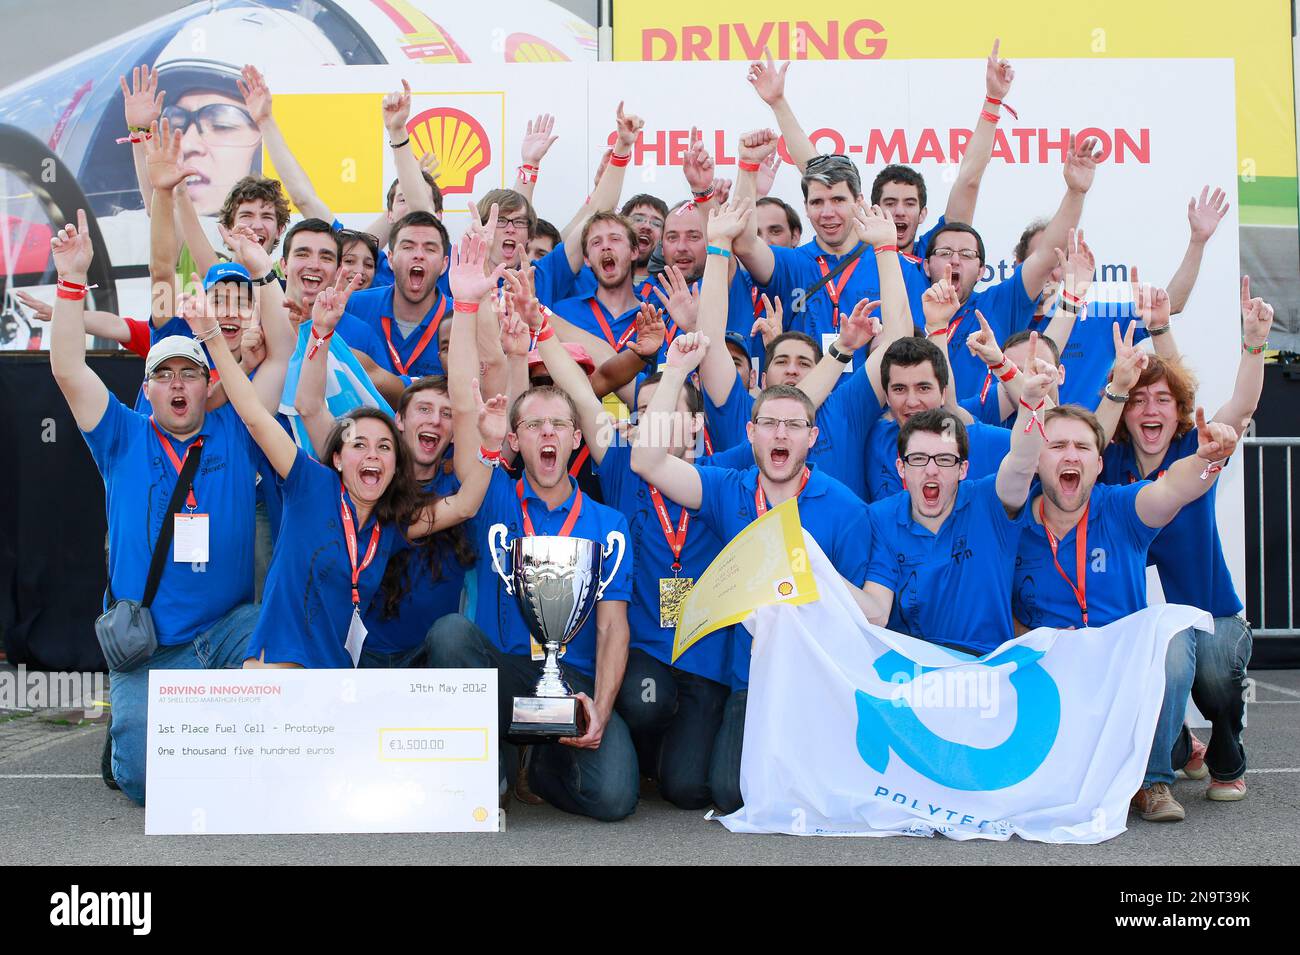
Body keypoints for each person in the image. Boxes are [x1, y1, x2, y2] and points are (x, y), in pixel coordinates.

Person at [46, 208, 291, 804]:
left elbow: (280, 352)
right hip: (151, 646)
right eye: (165, 374)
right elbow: (67, 367)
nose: (178, 385)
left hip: (231, 631)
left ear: (211, 385)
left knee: (291, 644)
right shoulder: (122, 435)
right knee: (144, 783)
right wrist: (72, 279)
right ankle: (143, 731)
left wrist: (263, 275)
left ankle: (230, 741)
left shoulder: (235, 428)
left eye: (191, 374)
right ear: (147, 386)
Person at [179, 234, 505, 670]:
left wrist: (490, 446)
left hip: (339, 682)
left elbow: (465, 504)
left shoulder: (389, 524)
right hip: (280, 673)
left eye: (385, 447)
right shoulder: (307, 483)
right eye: (361, 444)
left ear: (396, 464)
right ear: (337, 456)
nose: (373, 454)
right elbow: (259, 417)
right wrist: (216, 338)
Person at [424, 236, 639, 822]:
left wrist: (599, 706)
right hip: (509, 670)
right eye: (534, 425)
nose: (548, 434)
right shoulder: (493, 494)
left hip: (572, 680)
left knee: (615, 797)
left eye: (560, 425)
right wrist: (466, 309)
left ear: (577, 441)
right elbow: (468, 407)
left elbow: (615, 629)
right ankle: (487, 757)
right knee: (448, 636)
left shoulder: (607, 523)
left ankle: (539, 766)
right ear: (516, 442)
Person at [631, 332, 874, 814]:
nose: (780, 435)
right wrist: (676, 370)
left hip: (819, 685)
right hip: (751, 681)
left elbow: (868, 616)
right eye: (769, 424)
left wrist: (807, 565)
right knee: (720, 791)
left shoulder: (845, 508)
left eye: (793, 425)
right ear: (751, 433)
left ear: (813, 436)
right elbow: (646, 459)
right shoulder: (727, 490)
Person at [534, 286, 733, 809]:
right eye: (641, 411)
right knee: (647, 704)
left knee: (690, 791)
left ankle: (662, 757)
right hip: (644, 648)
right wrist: (542, 333)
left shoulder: (720, 477)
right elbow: (579, 393)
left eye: (663, 409)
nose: (649, 420)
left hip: (703, 656)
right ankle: (629, 744)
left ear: (694, 425)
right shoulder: (622, 463)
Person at [1011, 404, 1241, 823]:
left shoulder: (1121, 508)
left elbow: (1172, 488)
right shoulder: (1013, 526)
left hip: (1122, 675)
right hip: (1057, 678)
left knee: (1172, 639)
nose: (1070, 455)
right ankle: (1177, 743)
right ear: (1038, 459)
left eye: (1082, 447)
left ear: (1098, 464)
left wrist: (1207, 460)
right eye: (1057, 444)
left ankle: (1153, 780)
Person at [1095, 278, 1272, 804]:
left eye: (1163, 401)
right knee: (1163, 680)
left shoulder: (1199, 448)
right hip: (1140, 629)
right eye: (1139, 400)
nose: (1151, 410)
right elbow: (1080, 441)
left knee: (1215, 671)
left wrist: (1256, 341)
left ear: (1178, 412)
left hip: (1211, 618)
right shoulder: (1107, 465)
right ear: (1125, 412)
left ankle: (1225, 746)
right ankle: (1180, 747)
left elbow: (1240, 405)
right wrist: (1119, 383)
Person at [698, 197, 914, 500]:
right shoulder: (739, 411)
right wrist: (718, 247)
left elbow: (897, 343)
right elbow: (708, 342)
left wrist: (886, 250)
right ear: (761, 377)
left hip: (833, 546)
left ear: (825, 376)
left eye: (804, 362)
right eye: (781, 360)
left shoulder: (844, 407)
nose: (792, 368)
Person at [855, 341, 1057, 653]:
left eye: (945, 460)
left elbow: (1022, 460)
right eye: (918, 459)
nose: (931, 470)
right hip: (916, 676)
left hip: (989, 672)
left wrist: (1031, 404)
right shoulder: (882, 518)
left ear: (963, 469)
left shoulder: (991, 502)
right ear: (901, 468)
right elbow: (877, 612)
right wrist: (813, 569)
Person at [236, 67, 441, 288]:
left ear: (438, 217)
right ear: (389, 213)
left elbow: (420, 211)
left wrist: (403, 149)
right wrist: (265, 121)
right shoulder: (366, 263)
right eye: (403, 198)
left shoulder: (448, 267)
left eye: (418, 196)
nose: (412, 201)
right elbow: (303, 197)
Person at [343, 211, 454, 382]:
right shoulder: (353, 305)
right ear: (390, 259)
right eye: (408, 247)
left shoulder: (460, 317)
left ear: (444, 265)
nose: (419, 255)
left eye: (430, 249)